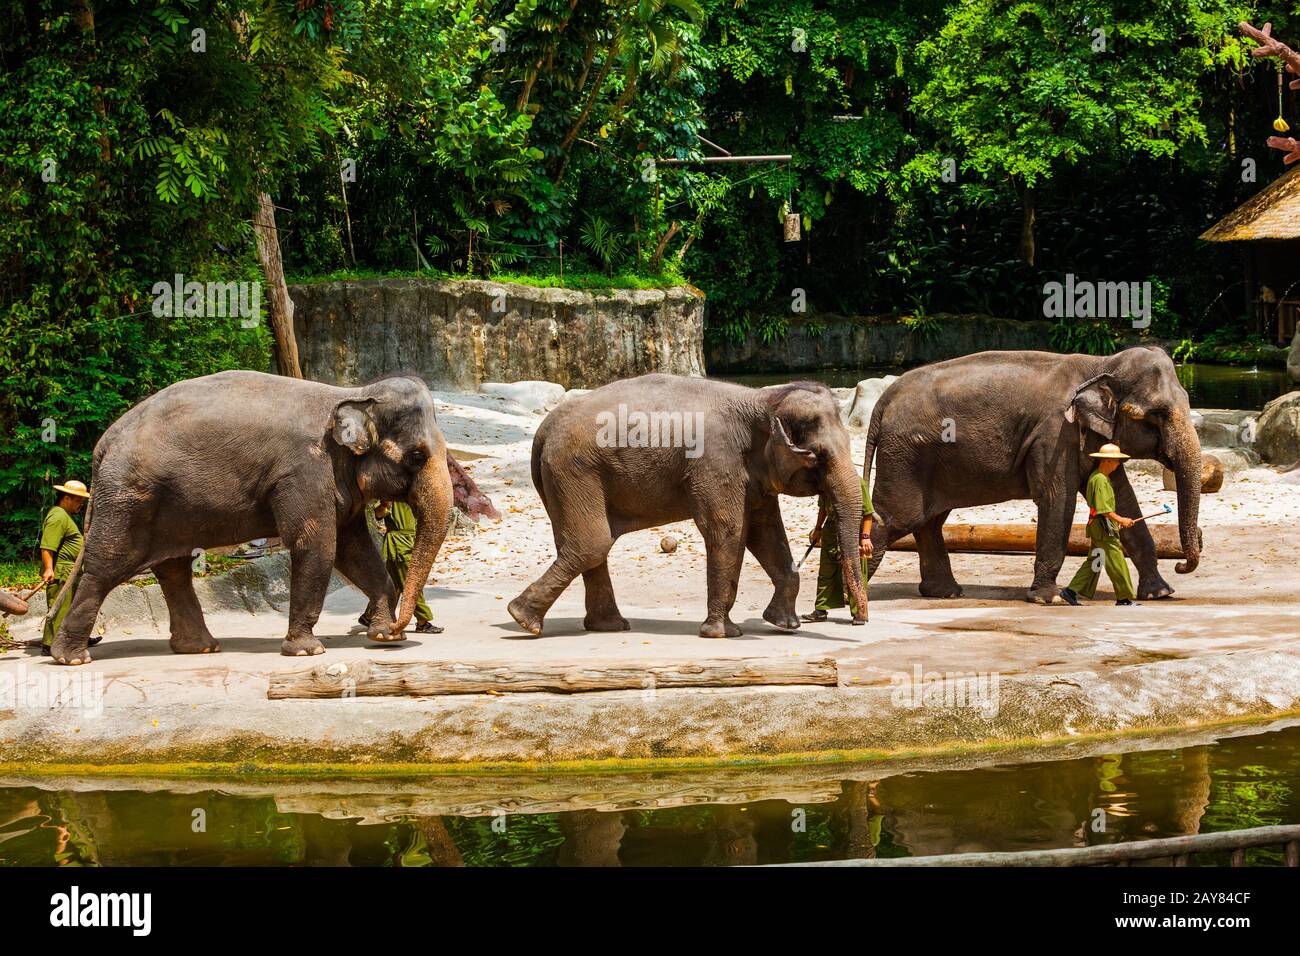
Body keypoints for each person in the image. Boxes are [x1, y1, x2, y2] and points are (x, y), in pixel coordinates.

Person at [1060, 443, 1139, 607]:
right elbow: (1103, 510)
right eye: (1117, 461)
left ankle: (1071, 591)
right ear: (1107, 461)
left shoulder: (1098, 477)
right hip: (1103, 527)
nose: (1118, 464)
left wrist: (1116, 521)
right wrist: (1121, 520)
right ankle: (1124, 598)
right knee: (1116, 560)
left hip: (1099, 526)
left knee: (1095, 560)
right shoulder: (1100, 480)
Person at [359, 500, 442, 634]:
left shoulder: (411, 494)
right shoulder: (390, 494)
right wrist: (386, 504)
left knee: (392, 586)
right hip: (400, 546)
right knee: (412, 584)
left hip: (407, 543)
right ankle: (423, 621)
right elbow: (379, 514)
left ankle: (369, 615)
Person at [800, 476, 873, 624]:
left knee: (856, 572)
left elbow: (868, 514)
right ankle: (820, 610)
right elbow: (823, 509)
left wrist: (865, 537)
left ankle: (859, 611)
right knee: (826, 573)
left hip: (852, 531)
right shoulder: (826, 483)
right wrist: (818, 528)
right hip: (831, 532)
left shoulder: (858, 483)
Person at [40, 480, 99, 656]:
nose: (81, 505)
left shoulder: (65, 516)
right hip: (61, 572)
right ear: (66, 498)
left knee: (74, 609)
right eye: (78, 501)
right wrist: (49, 569)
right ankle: (50, 644)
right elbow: (47, 546)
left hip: (70, 573)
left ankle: (76, 638)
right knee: (60, 609)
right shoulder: (58, 516)